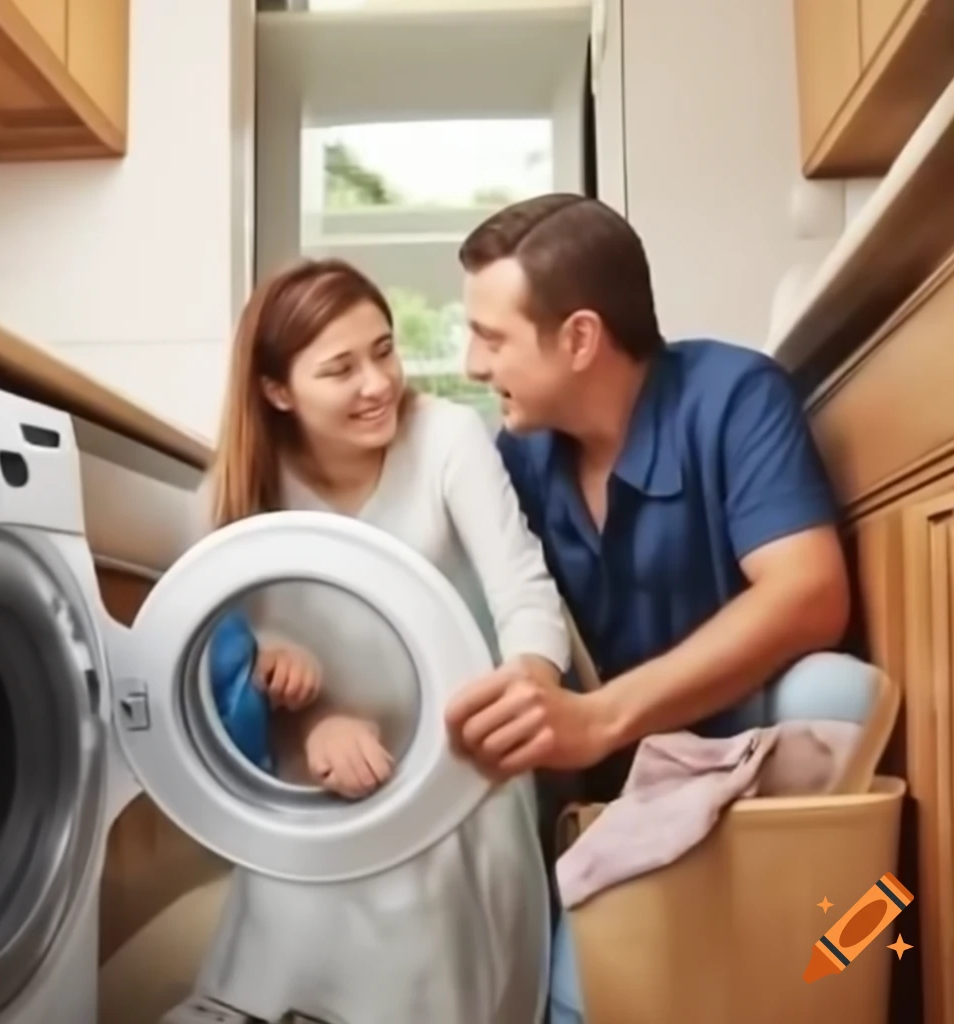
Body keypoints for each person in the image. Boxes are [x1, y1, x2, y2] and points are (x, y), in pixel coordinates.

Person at [441, 194, 851, 1023]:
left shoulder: (734, 396)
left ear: (581, 337)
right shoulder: (518, 457)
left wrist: (601, 717)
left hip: (749, 763)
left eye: (492, 339)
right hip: (618, 801)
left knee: (839, 692)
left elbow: (810, 592)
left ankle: (837, 969)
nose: (471, 365)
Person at [195, 256, 569, 1024]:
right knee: (308, 855)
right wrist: (299, 704)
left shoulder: (447, 438)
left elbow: (525, 596)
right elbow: (229, 662)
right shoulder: (238, 495)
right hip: (320, 756)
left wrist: (525, 687)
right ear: (277, 391)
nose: (378, 383)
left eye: (384, 350)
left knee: (412, 870)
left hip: (465, 747)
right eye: (340, 369)